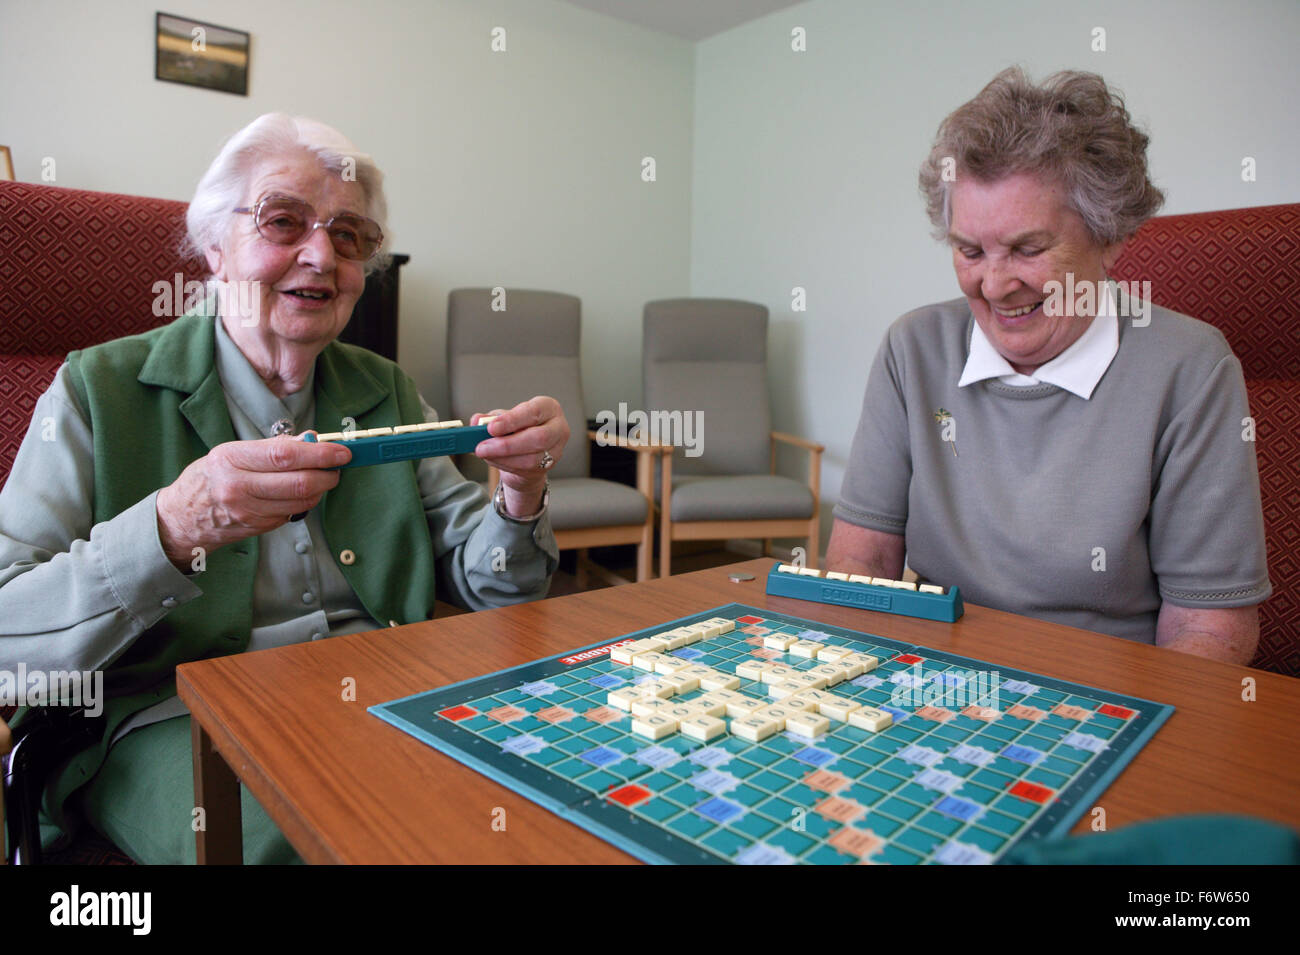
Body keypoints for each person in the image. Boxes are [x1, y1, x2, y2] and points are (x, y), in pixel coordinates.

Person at [0, 113, 570, 863]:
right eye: (283, 221)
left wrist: (519, 493)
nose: (320, 256)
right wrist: (175, 525)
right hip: (165, 719)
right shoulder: (93, 391)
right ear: (214, 247)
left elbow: (497, 587)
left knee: (559, 789)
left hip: (394, 696)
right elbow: (10, 641)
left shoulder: (386, 389)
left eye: (348, 236)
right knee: (334, 840)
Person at [826, 68, 1269, 664]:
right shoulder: (914, 348)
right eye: (970, 250)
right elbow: (862, 563)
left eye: (1029, 249)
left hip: (1105, 704)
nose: (996, 284)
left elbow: (1210, 634)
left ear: (1109, 236)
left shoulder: (1190, 367)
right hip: (932, 689)